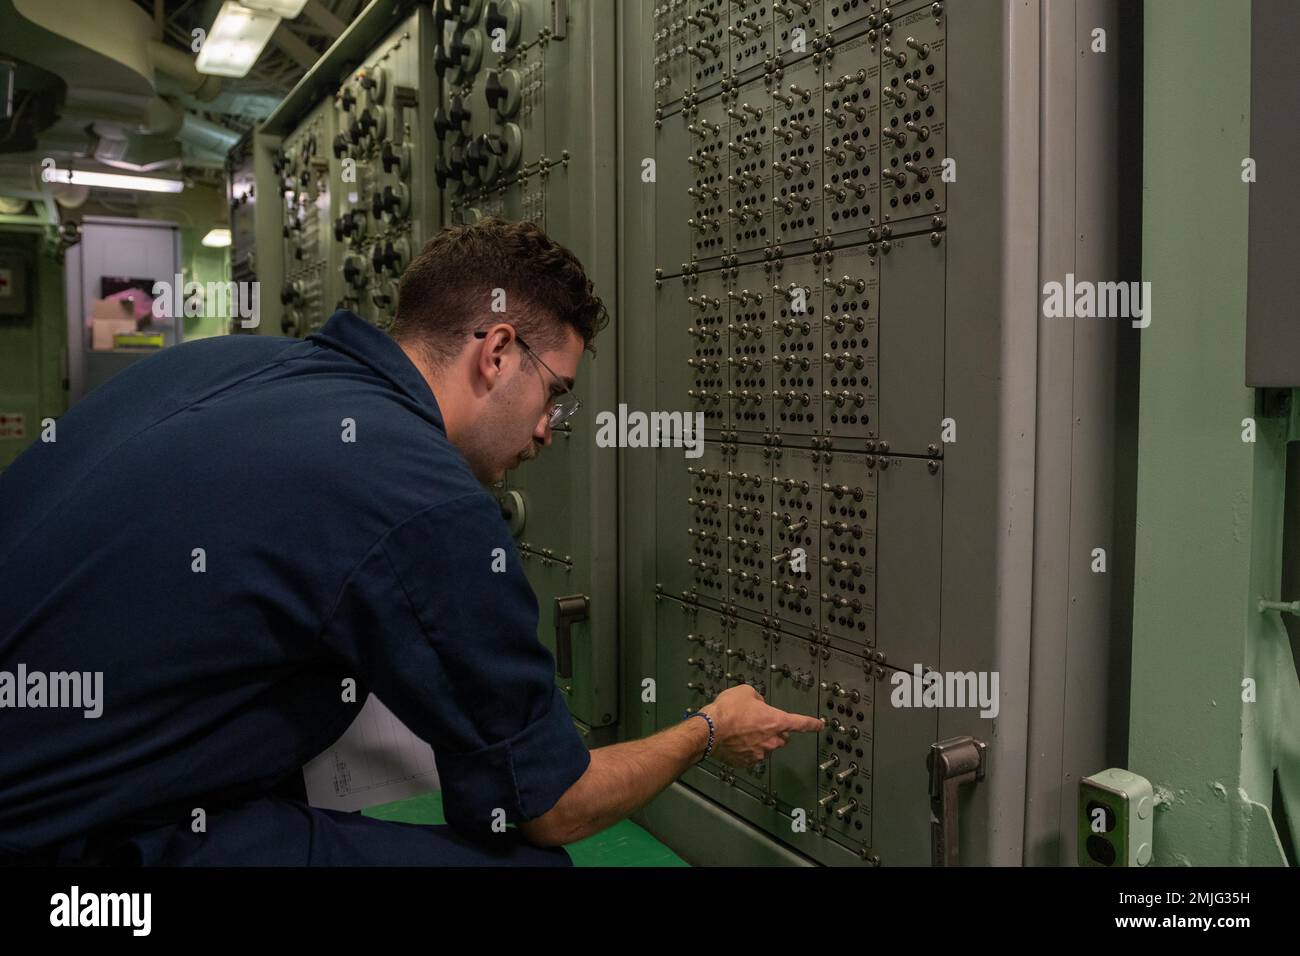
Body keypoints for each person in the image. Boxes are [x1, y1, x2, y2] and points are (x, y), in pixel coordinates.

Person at [0, 217, 822, 866]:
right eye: (555, 395)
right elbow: (547, 806)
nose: (546, 430)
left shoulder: (226, 365)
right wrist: (709, 728)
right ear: (498, 352)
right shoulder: (419, 490)